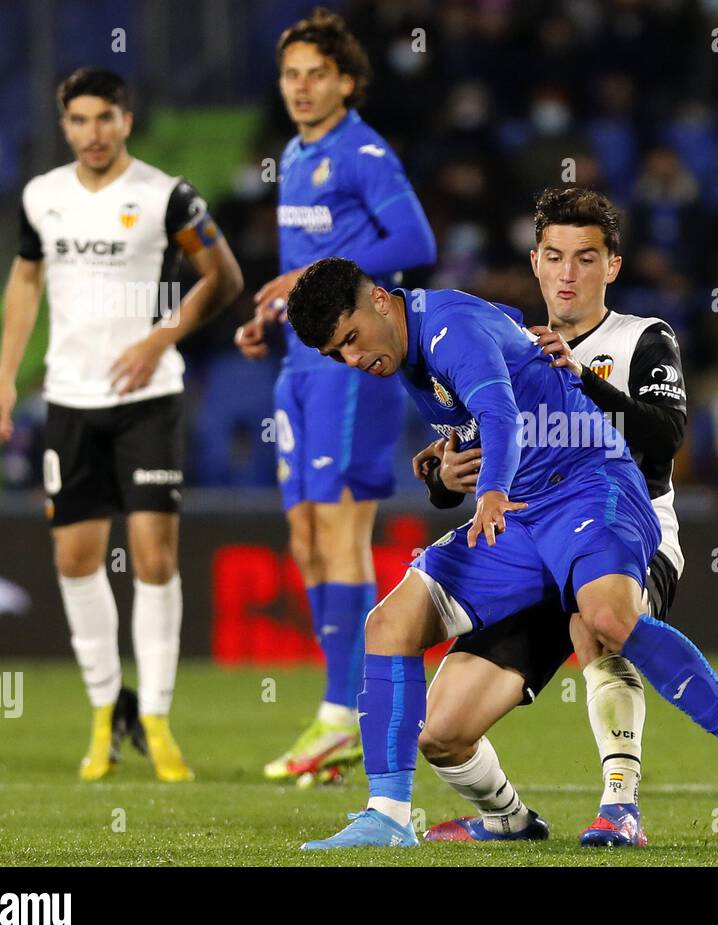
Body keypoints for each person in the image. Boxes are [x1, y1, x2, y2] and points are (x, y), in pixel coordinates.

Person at [284, 258, 718, 850]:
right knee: (391, 627)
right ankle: (396, 814)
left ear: (380, 300)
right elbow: (504, 375)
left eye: (351, 339)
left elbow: (501, 413)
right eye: (337, 354)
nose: (353, 359)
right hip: (524, 513)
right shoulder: (414, 350)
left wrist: (491, 491)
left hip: (590, 484)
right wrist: (445, 462)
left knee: (607, 618)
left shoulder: (446, 327)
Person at [0, 67, 243, 780]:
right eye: (79, 120)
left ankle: (156, 720)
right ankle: (106, 713)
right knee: (75, 559)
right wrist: (5, 377)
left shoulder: (165, 195)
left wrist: (163, 337)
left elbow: (224, 275)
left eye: (105, 118)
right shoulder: (43, 197)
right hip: (69, 401)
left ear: (126, 121)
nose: (92, 133)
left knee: (154, 556)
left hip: (149, 398)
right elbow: (26, 280)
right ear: (65, 126)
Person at [409, 187, 686, 847]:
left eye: (586, 258)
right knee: (440, 731)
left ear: (612, 266)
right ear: (534, 262)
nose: (568, 274)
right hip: (529, 549)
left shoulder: (643, 338)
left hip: (625, 536)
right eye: (555, 257)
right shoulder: (500, 345)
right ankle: (507, 818)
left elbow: (665, 434)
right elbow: (471, 460)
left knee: (595, 621)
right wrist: (442, 479)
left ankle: (620, 806)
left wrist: (584, 378)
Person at [234, 7, 436, 782]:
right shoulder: (293, 152)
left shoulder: (363, 152)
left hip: (351, 370)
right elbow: (305, 274)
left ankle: (340, 713)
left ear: (346, 81)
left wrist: (306, 282)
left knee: (341, 535)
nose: (302, 87)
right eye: (291, 74)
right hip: (299, 364)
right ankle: (340, 710)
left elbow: (415, 242)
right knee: (305, 541)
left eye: (318, 74)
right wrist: (275, 314)